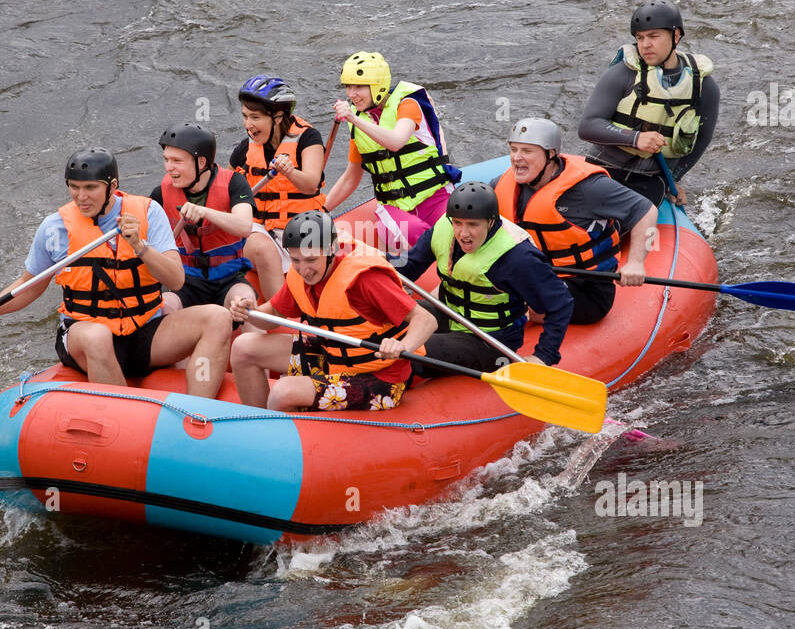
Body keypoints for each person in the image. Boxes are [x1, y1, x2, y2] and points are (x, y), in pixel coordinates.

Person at [0, 147, 232, 397]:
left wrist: (140, 246)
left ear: (113, 187)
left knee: (218, 317)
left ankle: (198, 417)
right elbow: (30, 284)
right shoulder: (54, 227)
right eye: (74, 187)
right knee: (97, 335)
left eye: (90, 188)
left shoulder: (149, 212)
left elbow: (175, 279)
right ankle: (124, 423)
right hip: (85, 334)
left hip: (144, 330)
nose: (81, 197)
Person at [228, 211, 437, 412]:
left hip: (379, 376)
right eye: (296, 260)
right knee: (243, 347)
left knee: (283, 392)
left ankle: (280, 440)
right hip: (332, 356)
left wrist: (403, 345)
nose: (304, 270)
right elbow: (272, 315)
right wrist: (251, 311)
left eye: (311, 260)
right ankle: (258, 426)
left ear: (331, 250)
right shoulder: (299, 276)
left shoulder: (366, 279)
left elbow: (426, 319)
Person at [397, 182, 573, 373]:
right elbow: (408, 267)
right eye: (457, 223)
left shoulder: (517, 257)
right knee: (385, 318)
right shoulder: (443, 228)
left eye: (473, 225)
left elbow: (561, 303)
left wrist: (543, 356)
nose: (463, 234)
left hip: (490, 341)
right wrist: (373, 266)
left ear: (490, 221)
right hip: (450, 314)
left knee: (411, 349)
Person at [496, 118, 657, 324]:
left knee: (511, 305)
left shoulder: (589, 188)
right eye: (513, 149)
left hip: (586, 289)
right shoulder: (505, 184)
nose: (517, 158)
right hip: (534, 277)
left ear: (550, 154)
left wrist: (636, 262)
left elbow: (645, 211)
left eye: (527, 151)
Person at [576, 0, 719, 206]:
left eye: (654, 36)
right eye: (640, 37)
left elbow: (702, 139)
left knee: (634, 222)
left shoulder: (703, 85)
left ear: (676, 36)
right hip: (605, 168)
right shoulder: (623, 72)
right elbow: (588, 126)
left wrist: (675, 179)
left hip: (652, 179)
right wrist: (635, 138)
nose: (645, 45)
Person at [325, 51, 461, 251]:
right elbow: (351, 177)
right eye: (348, 86)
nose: (350, 94)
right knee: (412, 232)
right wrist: (321, 210)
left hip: (436, 196)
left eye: (358, 86)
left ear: (378, 85)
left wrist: (353, 119)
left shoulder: (408, 104)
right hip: (395, 207)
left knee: (458, 232)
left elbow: (396, 141)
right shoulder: (357, 122)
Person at [151, 123, 274, 323]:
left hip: (228, 278)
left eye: (176, 161)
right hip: (184, 281)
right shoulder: (160, 194)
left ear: (201, 162)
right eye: (166, 160)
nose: (168, 167)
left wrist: (205, 211)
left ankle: (249, 349)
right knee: (165, 306)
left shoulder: (235, 183)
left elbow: (244, 227)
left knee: (245, 303)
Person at [228, 75, 326, 300]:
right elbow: (226, 191)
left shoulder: (307, 138)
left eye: (255, 117)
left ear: (278, 116)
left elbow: (311, 184)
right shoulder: (244, 148)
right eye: (245, 116)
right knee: (264, 249)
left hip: (300, 225)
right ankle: (282, 319)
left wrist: (290, 171)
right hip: (256, 232)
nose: (248, 125)